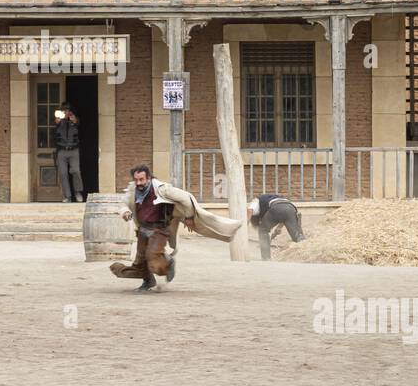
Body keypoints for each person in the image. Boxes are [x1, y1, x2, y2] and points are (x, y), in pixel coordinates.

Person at [111, 163, 242, 291]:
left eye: (141, 179)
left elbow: (186, 198)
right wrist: (125, 212)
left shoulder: (162, 189)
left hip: (159, 229)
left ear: (148, 178)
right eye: (136, 180)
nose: (139, 183)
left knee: (153, 257)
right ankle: (148, 281)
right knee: (140, 261)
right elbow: (124, 204)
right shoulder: (133, 190)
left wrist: (189, 217)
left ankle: (168, 262)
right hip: (142, 229)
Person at [247, 194, 306, 261]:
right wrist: (279, 228)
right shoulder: (276, 198)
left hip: (276, 207)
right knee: (297, 236)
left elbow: (249, 210)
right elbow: (284, 213)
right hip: (291, 208)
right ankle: (304, 256)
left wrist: (245, 225)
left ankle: (266, 258)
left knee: (263, 230)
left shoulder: (256, 200)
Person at [54, 103, 84, 202]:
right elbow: (54, 131)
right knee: (63, 173)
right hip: (61, 150)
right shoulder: (58, 120)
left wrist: (74, 120)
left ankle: (77, 192)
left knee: (76, 171)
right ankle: (67, 196)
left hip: (74, 150)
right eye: (64, 110)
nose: (65, 112)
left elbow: (79, 124)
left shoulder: (74, 120)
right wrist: (57, 121)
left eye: (67, 110)